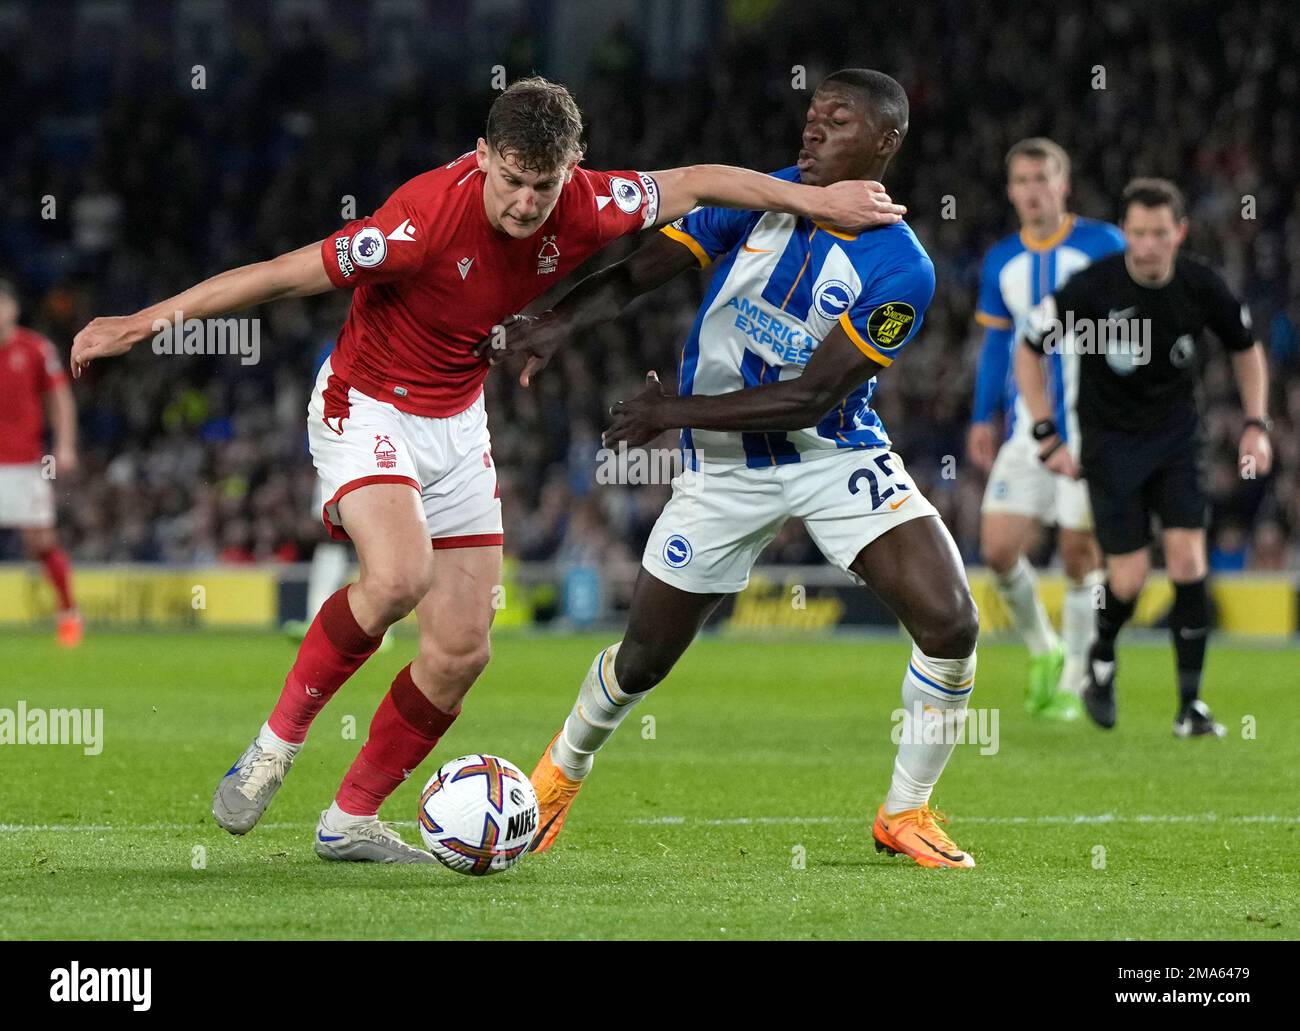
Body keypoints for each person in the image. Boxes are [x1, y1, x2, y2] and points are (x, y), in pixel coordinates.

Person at [70, 76, 902, 863]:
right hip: (369, 404)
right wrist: (145, 322)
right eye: (510, 181)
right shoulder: (422, 217)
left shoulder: (589, 202)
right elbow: (281, 274)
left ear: (570, 171)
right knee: (397, 576)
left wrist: (814, 200)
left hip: (457, 421)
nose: (526, 204)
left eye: (544, 187)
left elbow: (700, 180)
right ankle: (273, 746)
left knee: (463, 649)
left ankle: (349, 818)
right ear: (481, 155)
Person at [487, 69, 981, 869]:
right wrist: (556, 321)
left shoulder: (903, 271)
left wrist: (667, 413)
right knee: (644, 657)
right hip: (725, 468)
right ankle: (559, 773)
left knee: (952, 621)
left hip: (832, 451)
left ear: (884, 143)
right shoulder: (754, 199)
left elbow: (812, 396)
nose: (812, 130)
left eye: (838, 121)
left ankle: (906, 809)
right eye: (812, 115)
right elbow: (641, 270)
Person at [1015, 178, 1272, 736]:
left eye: (1159, 233)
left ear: (1178, 232)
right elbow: (1029, 349)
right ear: (1125, 233)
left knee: (1187, 561)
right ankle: (1102, 662)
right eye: (1137, 233)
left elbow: (1245, 348)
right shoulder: (1093, 289)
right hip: (1109, 444)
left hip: (1178, 439)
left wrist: (1256, 423)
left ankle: (1190, 707)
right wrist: (1044, 433)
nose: (1148, 245)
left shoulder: (1200, 285)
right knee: (1128, 578)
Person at [967, 139, 1124, 718]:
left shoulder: (1103, 244)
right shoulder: (1001, 261)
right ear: (1011, 191)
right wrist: (983, 415)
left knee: (1081, 552)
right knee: (999, 549)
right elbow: (996, 343)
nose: (1033, 190)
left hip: (1092, 427)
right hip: (1028, 429)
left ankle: (1077, 682)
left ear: (1064, 183)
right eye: (1023, 181)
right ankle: (1047, 649)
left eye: (1043, 178)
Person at [0, 278, 82, 647]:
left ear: (12, 309)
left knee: (41, 542)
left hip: (24, 463)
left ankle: (68, 614)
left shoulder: (34, 348)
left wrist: (64, 445)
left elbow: (60, 398)